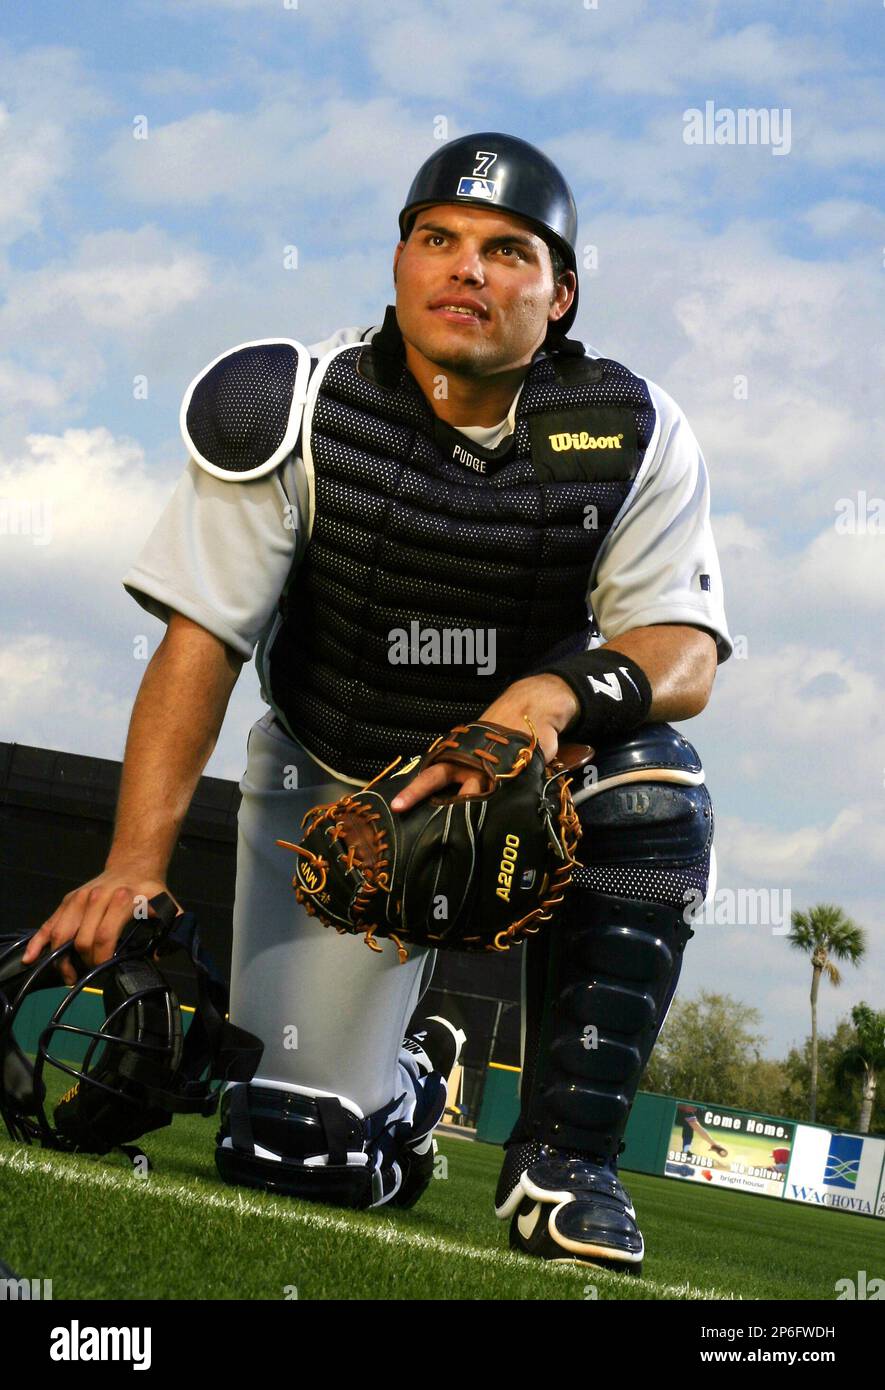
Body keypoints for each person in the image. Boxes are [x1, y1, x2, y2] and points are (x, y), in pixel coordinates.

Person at [24, 132, 731, 1271]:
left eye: (510, 251)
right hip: (334, 790)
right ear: (399, 260)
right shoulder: (290, 402)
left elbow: (684, 653)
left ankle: (567, 1161)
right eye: (437, 239)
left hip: (516, 781)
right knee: (292, 1153)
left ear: (560, 296)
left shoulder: (632, 430)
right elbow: (202, 638)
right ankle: (407, 1085)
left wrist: (545, 695)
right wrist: (134, 866)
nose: (468, 269)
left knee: (654, 783)